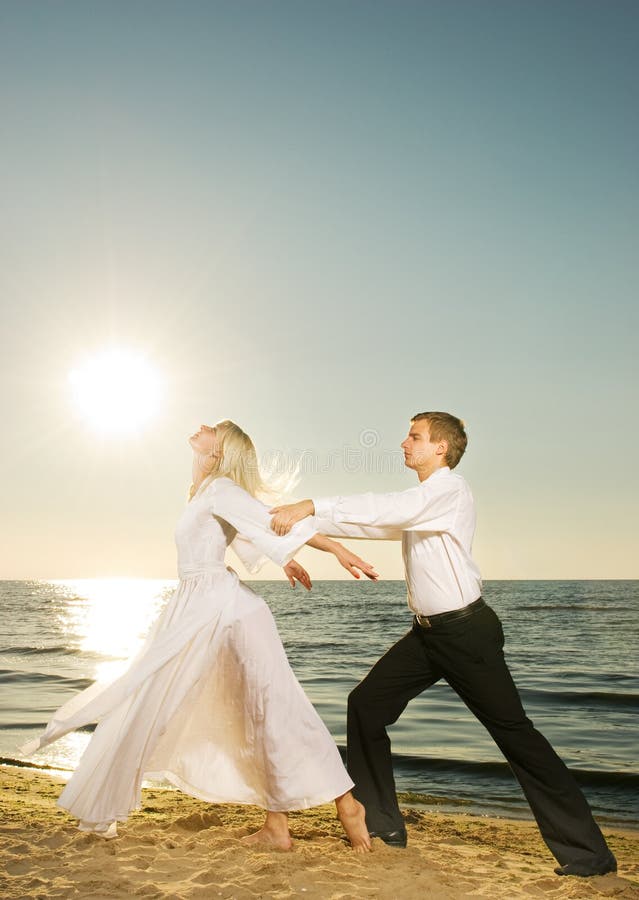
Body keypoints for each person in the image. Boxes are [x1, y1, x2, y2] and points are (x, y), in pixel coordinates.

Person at [270, 411, 617, 877]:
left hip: (465, 633)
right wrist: (310, 527)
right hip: (427, 636)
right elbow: (375, 523)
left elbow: (387, 510)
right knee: (366, 705)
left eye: (415, 437)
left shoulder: (449, 491)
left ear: (442, 448)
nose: (404, 443)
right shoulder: (422, 503)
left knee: (517, 738)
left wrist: (311, 504)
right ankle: (383, 825)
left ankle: (589, 857)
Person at [21, 420, 377, 852]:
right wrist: (283, 562)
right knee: (247, 712)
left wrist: (337, 549)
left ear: (221, 449)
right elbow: (248, 533)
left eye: (216, 426)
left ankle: (345, 803)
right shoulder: (206, 492)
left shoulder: (222, 488)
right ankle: (277, 825)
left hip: (227, 611)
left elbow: (276, 522)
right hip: (199, 607)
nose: (204, 425)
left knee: (272, 708)